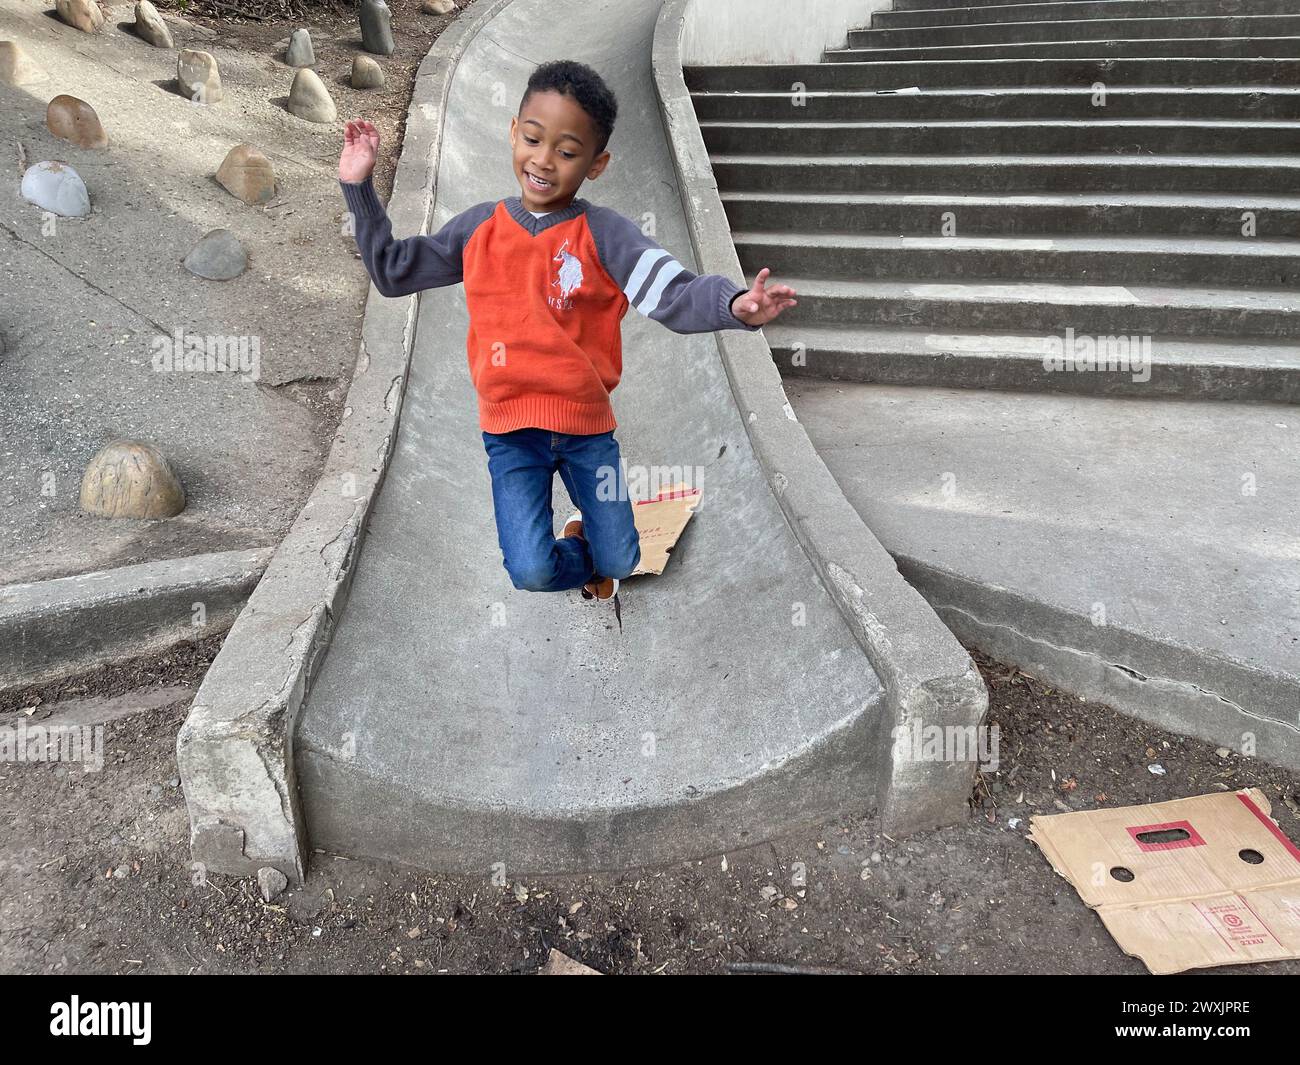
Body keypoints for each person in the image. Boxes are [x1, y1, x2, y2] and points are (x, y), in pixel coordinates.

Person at [338, 59, 796, 605]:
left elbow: (673, 294)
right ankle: (581, 552)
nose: (543, 160)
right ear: (514, 131)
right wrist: (358, 188)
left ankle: (597, 544)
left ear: (596, 164)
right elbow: (394, 272)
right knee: (531, 570)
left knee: (622, 560)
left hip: (586, 430)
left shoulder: (605, 236)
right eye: (533, 139)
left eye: (567, 151)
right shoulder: (480, 229)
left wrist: (734, 304)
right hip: (510, 434)